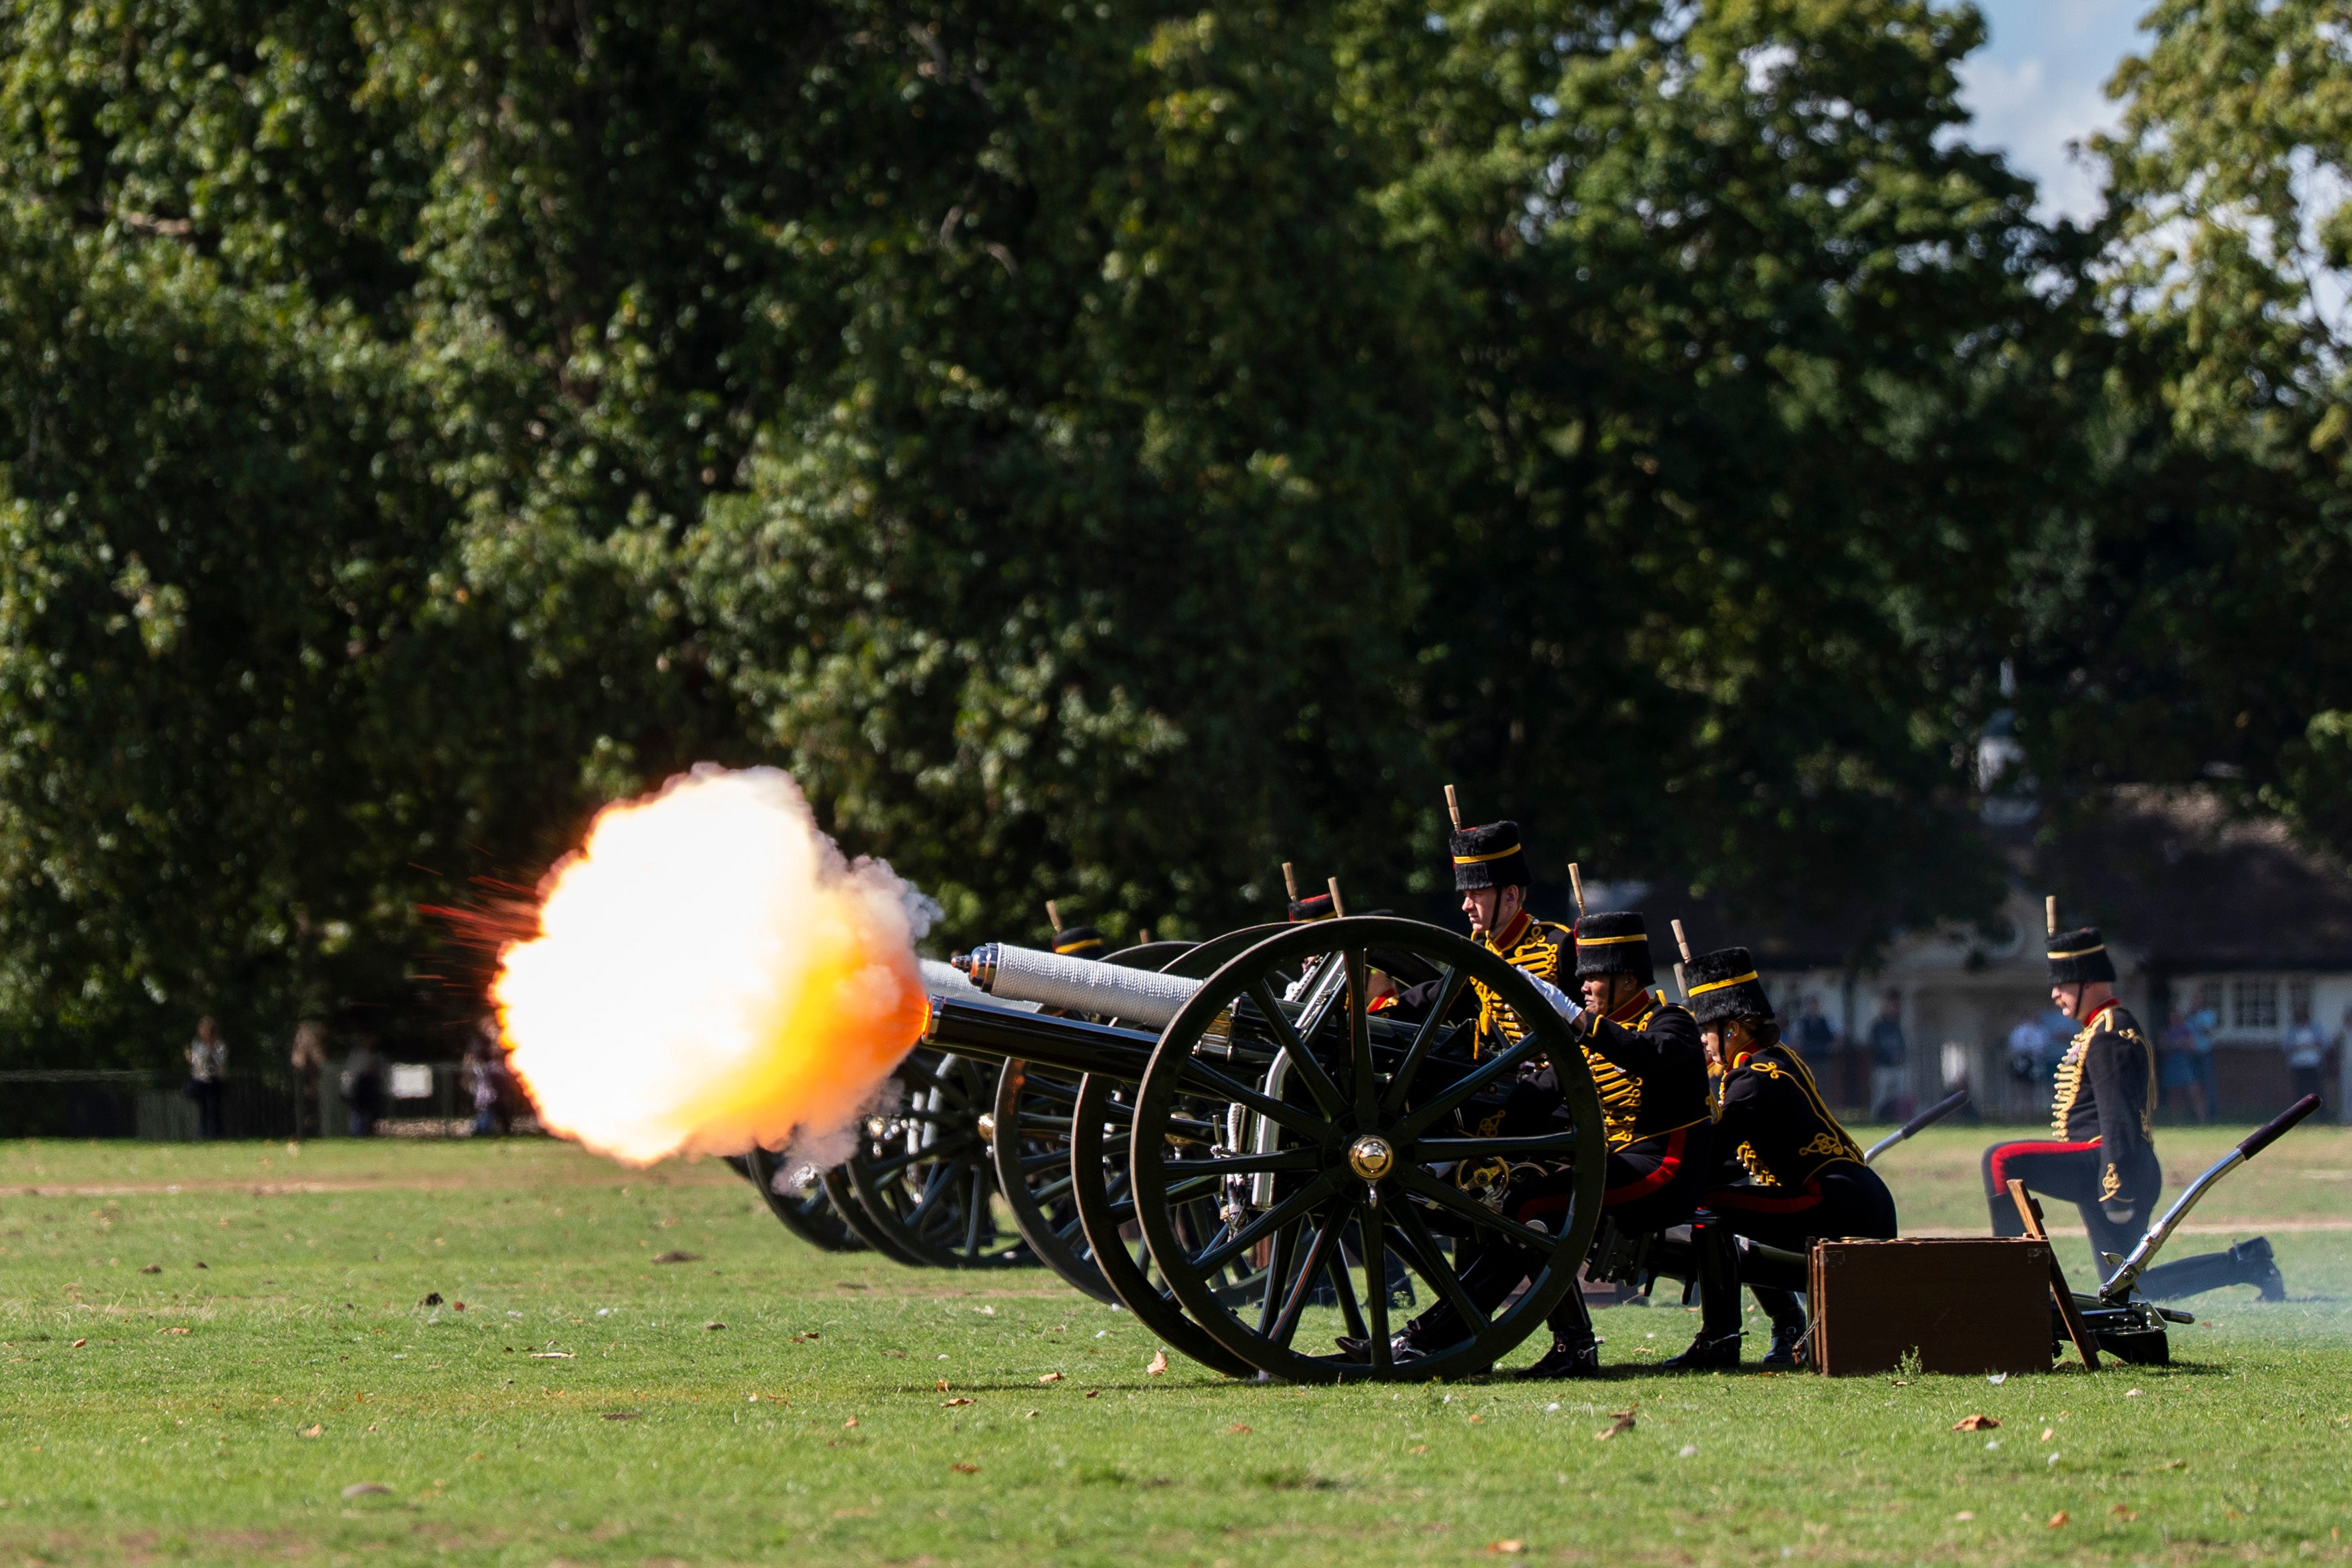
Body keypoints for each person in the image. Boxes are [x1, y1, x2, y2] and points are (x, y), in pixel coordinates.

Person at [1681, 946, 1898, 1368]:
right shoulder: (1774, 1062)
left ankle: (1731, 1336)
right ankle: (1786, 1325)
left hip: (1833, 1202)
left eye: (1707, 1030)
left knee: (1711, 1205)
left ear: (1733, 1030)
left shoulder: (1753, 1082)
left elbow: (1709, 1158)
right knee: (1732, 1202)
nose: (1704, 1041)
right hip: (1854, 1199)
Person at [1981, 924, 2161, 1276]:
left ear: (2088, 983)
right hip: (2109, 1161)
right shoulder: (2098, 1028)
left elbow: (2118, 1115)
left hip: (2109, 1162)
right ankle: (2243, 1264)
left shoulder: (2111, 1031)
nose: (2054, 995)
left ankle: (2010, 1278)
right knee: (2125, 1286)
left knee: (2002, 1159)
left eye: (2062, 985)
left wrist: (2115, 1183)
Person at [463, 1014, 510, 1136]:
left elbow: (500, 1054)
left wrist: (496, 1040)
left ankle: (499, 1128)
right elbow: (471, 1058)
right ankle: (482, 1129)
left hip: (497, 1079)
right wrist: (467, 1076)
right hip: (484, 1079)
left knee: (496, 1103)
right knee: (484, 1103)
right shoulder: (478, 1042)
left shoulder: (501, 1040)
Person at [1866, 991, 1908, 1122]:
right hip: (1883, 1066)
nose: (1892, 1009)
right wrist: (1889, 1057)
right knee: (1881, 1095)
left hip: (1898, 1066)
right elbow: (1876, 1046)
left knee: (1900, 1094)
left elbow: (1902, 1043)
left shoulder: (1897, 1025)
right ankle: (1875, 1118)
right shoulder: (1877, 1026)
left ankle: (1898, 1118)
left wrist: (1900, 1056)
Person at [185, 1017, 228, 1141]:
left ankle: (218, 1134)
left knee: (214, 1107)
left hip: (215, 1080)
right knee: (204, 1108)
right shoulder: (197, 1044)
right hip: (200, 1079)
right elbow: (197, 1063)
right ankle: (203, 1133)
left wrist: (210, 1053)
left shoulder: (219, 1045)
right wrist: (191, 1057)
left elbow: (220, 1062)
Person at [341, 1032, 388, 1138]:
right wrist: (347, 1090)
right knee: (358, 1113)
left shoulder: (379, 1056)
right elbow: (350, 1074)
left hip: (373, 1090)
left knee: (372, 1114)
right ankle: (357, 1134)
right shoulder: (356, 1055)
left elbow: (382, 1075)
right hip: (359, 1089)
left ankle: (370, 1133)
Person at [2284, 996, 2327, 1108]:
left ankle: (2320, 1111)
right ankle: (2299, 1112)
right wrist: (2299, 1047)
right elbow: (2286, 1047)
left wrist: (2312, 1045)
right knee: (2300, 1090)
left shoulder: (2315, 1028)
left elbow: (2325, 1043)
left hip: (2313, 1063)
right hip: (2298, 1064)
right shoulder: (2293, 1030)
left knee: (2316, 1089)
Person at [288, 1020, 329, 1139]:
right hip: (304, 1092)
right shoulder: (299, 1051)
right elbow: (297, 1062)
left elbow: (321, 1062)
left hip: (317, 1091)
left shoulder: (317, 1051)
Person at [1792, 995, 1837, 1080]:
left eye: (1816, 1004)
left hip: (1824, 1057)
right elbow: (1795, 1038)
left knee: (1825, 1081)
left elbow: (1837, 1036)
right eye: (1812, 1004)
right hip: (1808, 1057)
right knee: (1809, 1080)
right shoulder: (1802, 1022)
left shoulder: (1826, 1020)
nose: (1814, 1007)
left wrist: (1832, 1046)